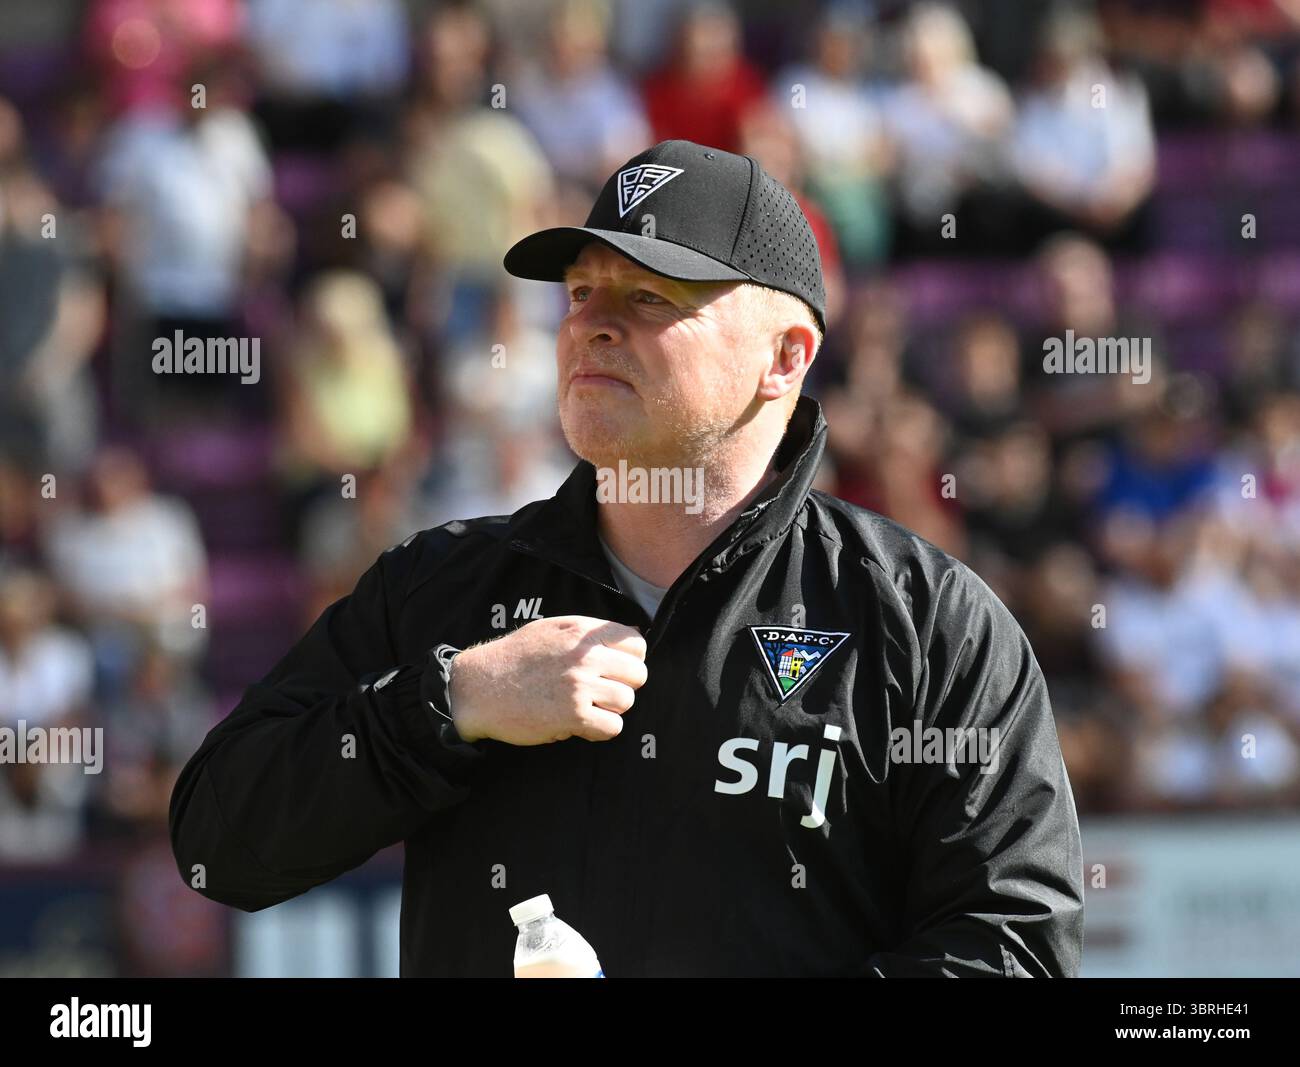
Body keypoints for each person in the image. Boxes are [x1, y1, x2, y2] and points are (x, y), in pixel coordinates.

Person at [169, 139, 1084, 977]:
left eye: (649, 295)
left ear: (786, 355)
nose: (590, 325)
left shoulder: (927, 621)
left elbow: (1014, 950)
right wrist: (449, 703)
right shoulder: (443, 587)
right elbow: (217, 837)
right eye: (579, 292)